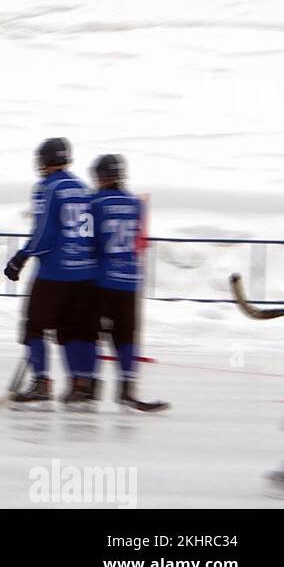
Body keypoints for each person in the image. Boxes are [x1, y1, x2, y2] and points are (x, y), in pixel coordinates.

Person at [3, 137, 98, 408]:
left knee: (34, 326)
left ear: (44, 160)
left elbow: (44, 233)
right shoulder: (82, 187)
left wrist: (21, 257)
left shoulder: (47, 187)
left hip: (56, 272)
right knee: (71, 330)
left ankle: (42, 382)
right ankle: (80, 383)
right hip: (85, 273)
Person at [89, 154, 168, 412]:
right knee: (126, 335)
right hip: (130, 279)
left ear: (100, 176)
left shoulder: (96, 202)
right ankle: (127, 387)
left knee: (92, 331)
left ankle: (88, 384)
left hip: (102, 277)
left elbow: (91, 240)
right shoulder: (136, 203)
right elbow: (140, 240)